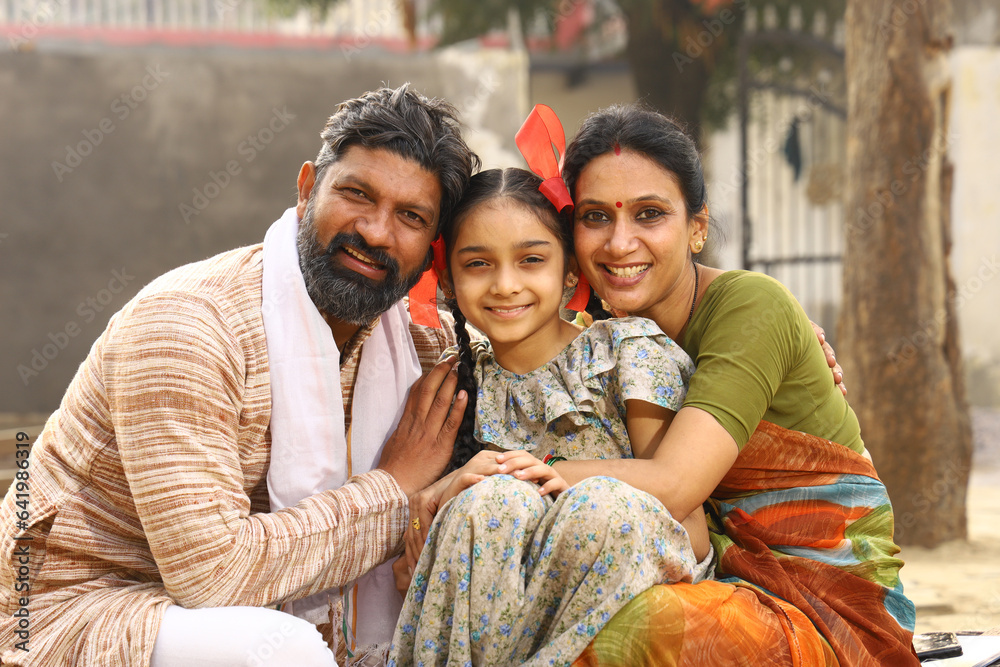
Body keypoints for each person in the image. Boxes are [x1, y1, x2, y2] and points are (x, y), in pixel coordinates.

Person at [0, 84, 479, 667]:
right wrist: (397, 491)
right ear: (306, 189)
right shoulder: (188, 326)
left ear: (432, 247)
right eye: (357, 194)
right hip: (74, 609)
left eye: (411, 217)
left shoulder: (421, 345)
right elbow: (213, 575)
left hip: (226, 611)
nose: (377, 232)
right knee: (279, 653)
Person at [556, 103, 917, 665]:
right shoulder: (594, 337)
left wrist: (527, 476)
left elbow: (674, 484)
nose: (619, 243)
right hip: (709, 575)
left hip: (827, 612)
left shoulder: (752, 308)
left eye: (649, 215)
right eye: (595, 217)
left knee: (628, 628)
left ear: (697, 228)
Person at [386, 166, 715, 666]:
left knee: (598, 506)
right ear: (448, 280)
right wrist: (441, 506)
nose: (505, 284)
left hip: (633, 563)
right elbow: (424, 557)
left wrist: (551, 486)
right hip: (506, 607)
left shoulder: (626, 352)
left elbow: (689, 530)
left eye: (531, 260)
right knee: (490, 503)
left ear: (569, 273)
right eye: (478, 264)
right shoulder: (457, 385)